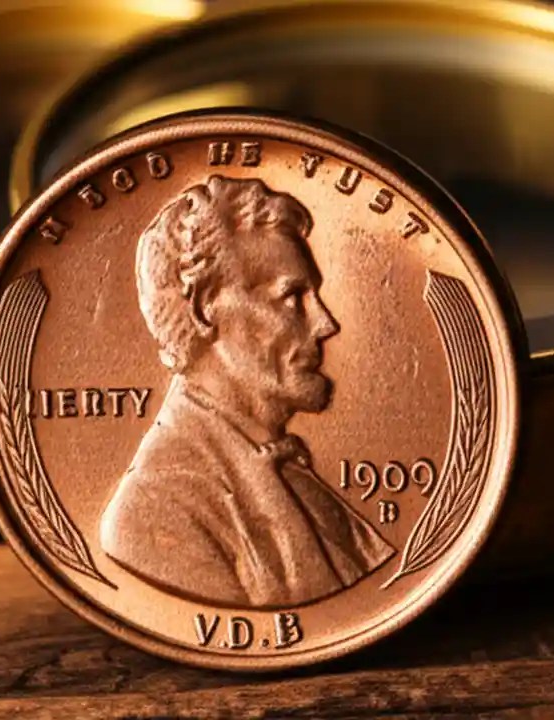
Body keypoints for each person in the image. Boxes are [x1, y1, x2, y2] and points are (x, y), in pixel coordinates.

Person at [99, 175, 394, 609]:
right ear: (204, 310)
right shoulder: (154, 511)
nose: (325, 323)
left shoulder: (290, 472)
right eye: (291, 298)